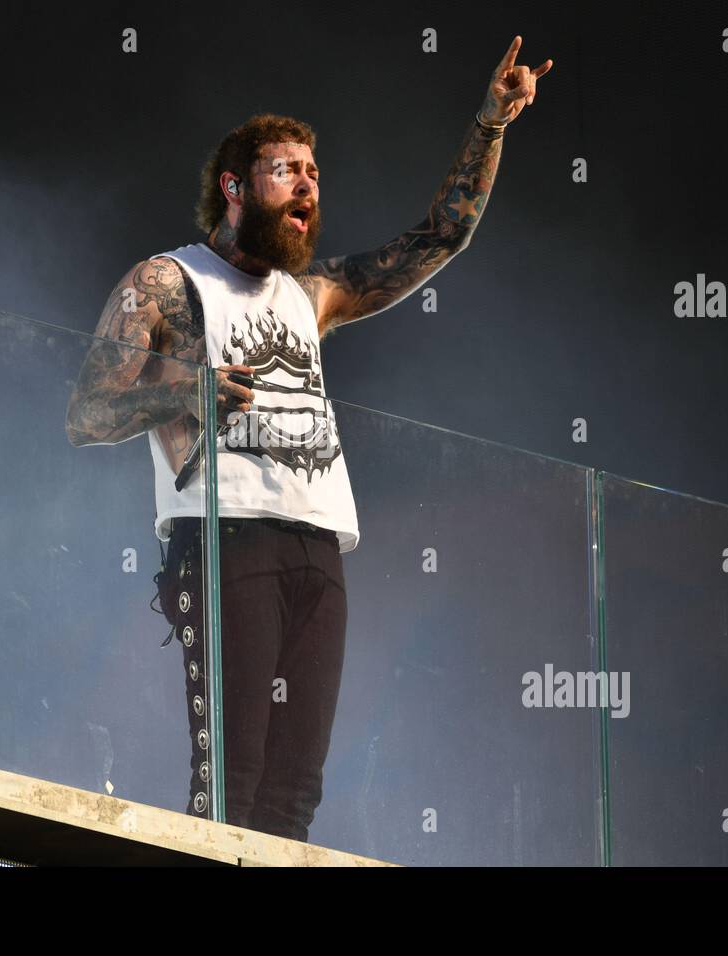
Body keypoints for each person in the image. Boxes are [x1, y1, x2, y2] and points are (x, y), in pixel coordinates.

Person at [66, 36, 551, 842]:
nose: (308, 183)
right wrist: (185, 387)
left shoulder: (309, 293)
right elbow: (86, 415)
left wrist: (491, 124)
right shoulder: (166, 281)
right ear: (234, 185)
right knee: (233, 775)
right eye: (287, 168)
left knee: (297, 788)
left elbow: (439, 238)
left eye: (314, 171)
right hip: (223, 538)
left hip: (318, 546)